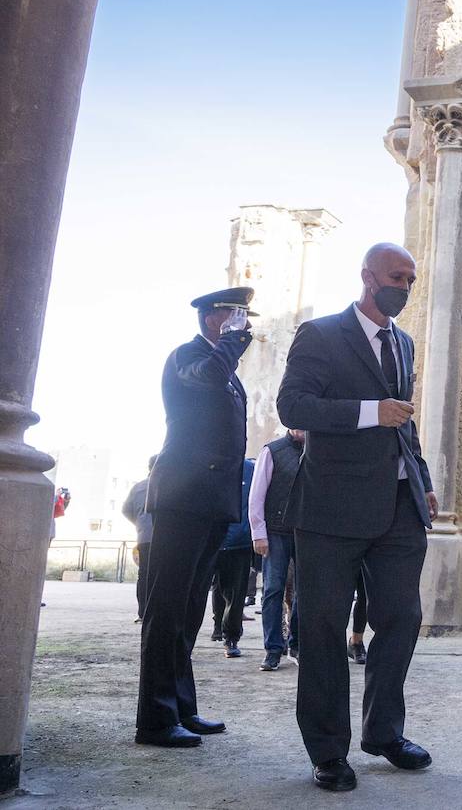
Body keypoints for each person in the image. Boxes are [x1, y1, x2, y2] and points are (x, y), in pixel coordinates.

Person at [277, 242, 439, 792]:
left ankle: (384, 733)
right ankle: (327, 751)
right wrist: (371, 412)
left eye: (412, 280)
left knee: (402, 618)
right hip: (331, 507)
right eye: (398, 277)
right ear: (368, 276)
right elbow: (293, 407)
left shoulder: (405, 344)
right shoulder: (321, 334)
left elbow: (406, 422)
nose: (406, 287)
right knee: (322, 627)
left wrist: (423, 481)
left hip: (397, 508)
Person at [135, 286, 255, 749]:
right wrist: (231, 342)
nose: (243, 322)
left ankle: (182, 708)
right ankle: (155, 720)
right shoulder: (188, 356)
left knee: (188, 612)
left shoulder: (226, 367)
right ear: (212, 317)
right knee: (165, 611)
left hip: (210, 501)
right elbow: (206, 380)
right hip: (182, 497)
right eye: (234, 314)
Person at [248, 429, 305, 672]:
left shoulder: (318, 450)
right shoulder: (272, 451)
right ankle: (272, 648)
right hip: (276, 531)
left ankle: (296, 644)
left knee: (305, 591)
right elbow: (256, 495)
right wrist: (258, 533)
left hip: (305, 531)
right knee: (273, 589)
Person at [209, 458, 256, 658]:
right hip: (209, 540)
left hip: (240, 540)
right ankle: (215, 627)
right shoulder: (207, 464)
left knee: (235, 594)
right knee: (208, 589)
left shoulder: (250, 470)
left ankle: (231, 637)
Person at [121, 457, 156, 622]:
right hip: (164, 536)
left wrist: (140, 523)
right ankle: (156, 611)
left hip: (144, 536)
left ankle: (143, 613)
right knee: (162, 575)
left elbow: (126, 510)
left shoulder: (139, 487)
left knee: (144, 575)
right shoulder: (169, 484)